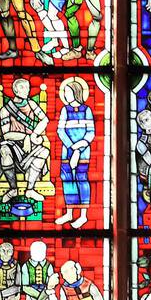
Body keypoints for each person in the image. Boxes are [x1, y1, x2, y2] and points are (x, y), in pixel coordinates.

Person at [0, 75, 50, 205]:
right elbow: (6, 134)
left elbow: (45, 120)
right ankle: (13, 189)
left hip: (31, 142)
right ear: (15, 90)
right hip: (13, 145)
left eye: (28, 88)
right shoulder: (5, 110)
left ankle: (30, 189)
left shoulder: (31, 104)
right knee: (4, 150)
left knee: (44, 152)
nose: (26, 90)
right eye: (22, 88)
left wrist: (33, 135)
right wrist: (25, 138)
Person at [54, 77, 94, 229]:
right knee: (67, 180)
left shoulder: (87, 110)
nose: (67, 95)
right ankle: (70, 213)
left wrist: (78, 149)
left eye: (69, 92)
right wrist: (72, 147)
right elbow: (60, 130)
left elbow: (90, 133)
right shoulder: (65, 110)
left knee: (82, 179)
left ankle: (83, 216)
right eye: (65, 92)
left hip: (83, 153)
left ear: (77, 93)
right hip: (67, 151)